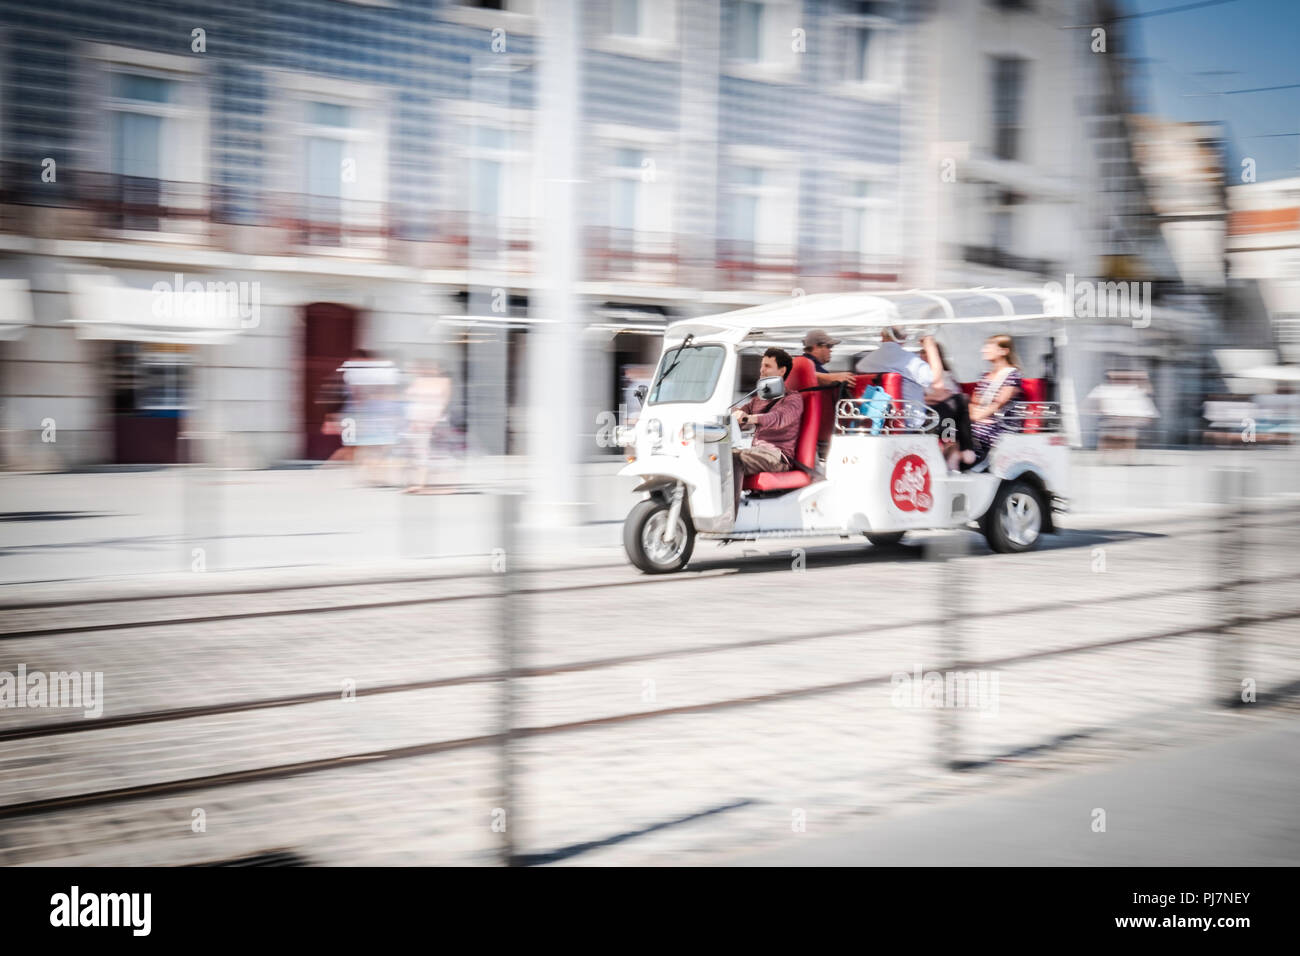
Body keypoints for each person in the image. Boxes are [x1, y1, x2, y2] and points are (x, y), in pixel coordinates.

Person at [731, 347, 804, 509]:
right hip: (758, 453)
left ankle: (728, 513)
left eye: (767, 366)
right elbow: (741, 414)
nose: (761, 370)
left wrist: (750, 418)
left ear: (782, 371)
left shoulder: (793, 399)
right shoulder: (759, 398)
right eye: (762, 365)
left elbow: (779, 419)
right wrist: (733, 413)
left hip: (777, 457)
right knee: (718, 455)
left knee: (734, 458)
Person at [854, 326, 933, 429]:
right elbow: (931, 380)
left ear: (882, 336)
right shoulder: (912, 361)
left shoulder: (863, 363)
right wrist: (931, 348)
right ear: (905, 337)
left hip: (871, 421)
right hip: (907, 421)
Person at [922, 339, 976, 470]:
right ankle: (962, 450)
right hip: (934, 413)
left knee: (953, 407)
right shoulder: (922, 375)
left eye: (925, 353)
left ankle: (955, 453)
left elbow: (943, 395)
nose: (921, 356)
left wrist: (932, 398)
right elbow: (938, 396)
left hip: (944, 414)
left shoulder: (944, 375)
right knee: (952, 408)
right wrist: (932, 398)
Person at [969, 333, 1024, 462]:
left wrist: (976, 417)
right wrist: (973, 416)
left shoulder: (1012, 375)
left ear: (1003, 351)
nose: (984, 350)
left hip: (1000, 427)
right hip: (981, 422)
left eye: (989, 347)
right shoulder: (984, 376)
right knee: (950, 430)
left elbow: (998, 403)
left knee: (965, 433)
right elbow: (974, 402)